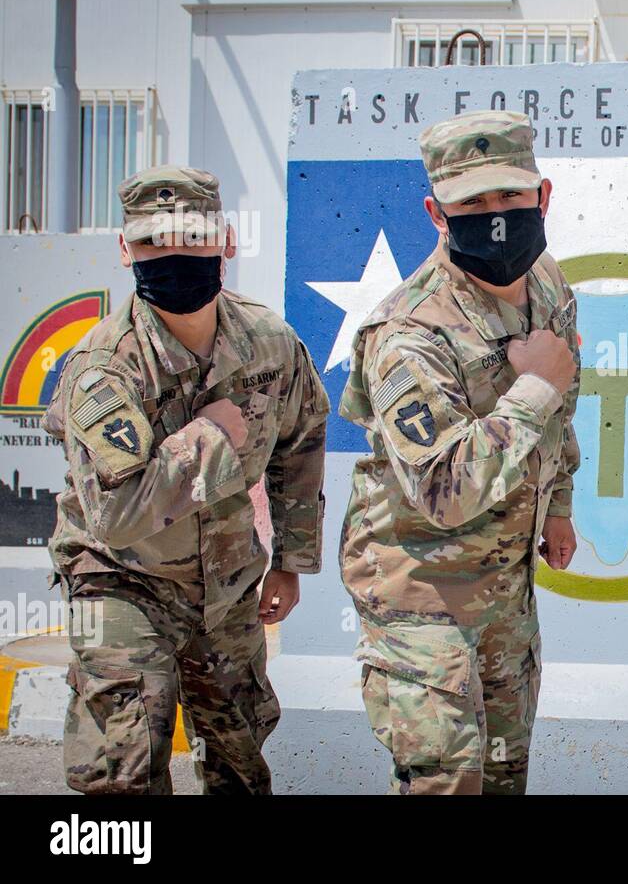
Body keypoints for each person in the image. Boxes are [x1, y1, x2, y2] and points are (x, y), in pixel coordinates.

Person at [43, 165, 329, 794]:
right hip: (122, 579)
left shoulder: (269, 344)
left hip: (225, 583)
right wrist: (209, 436)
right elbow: (117, 517)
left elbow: (300, 442)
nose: (177, 255)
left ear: (226, 240)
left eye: (194, 238)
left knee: (241, 759)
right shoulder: (103, 368)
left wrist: (290, 558)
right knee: (121, 774)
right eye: (155, 242)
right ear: (126, 250)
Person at [338, 110, 581, 795]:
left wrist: (557, 504)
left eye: (509, 195)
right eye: (472, 202)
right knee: (446, 781)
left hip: (504, 589)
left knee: (504, 772)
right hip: (422, 595)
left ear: (543, 196)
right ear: (436, 212)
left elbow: (566, 403)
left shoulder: (548, 287)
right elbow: (445, 490)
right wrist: (533, 385)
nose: (496, 215)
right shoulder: (407, 332)